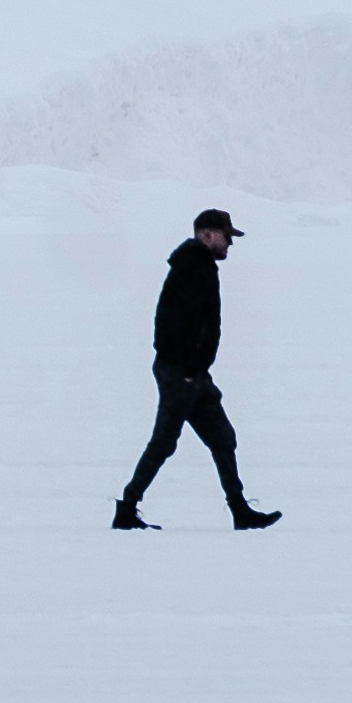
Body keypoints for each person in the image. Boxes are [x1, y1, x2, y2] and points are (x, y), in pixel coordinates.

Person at [115, 207, 279, 530]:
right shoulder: (192, 269)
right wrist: (189, 368)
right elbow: (174, 325)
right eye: (226, 238)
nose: (230, 245)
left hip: (191, 372)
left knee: (222, 437)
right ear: (207, 234)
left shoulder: (199, 267)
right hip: (181, 372)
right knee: (164, 441)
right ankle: (127, 509)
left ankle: (240, 511)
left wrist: (196, 368)